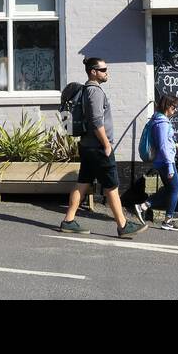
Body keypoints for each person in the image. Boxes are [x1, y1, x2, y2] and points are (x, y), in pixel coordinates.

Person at [60, 57, 147, 237]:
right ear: (93, 72)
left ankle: (68, 221)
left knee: (83, 183)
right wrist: (107, 145)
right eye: (103, 69)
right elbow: (96, 121)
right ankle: (123, 225)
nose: (106, 72)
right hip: (98, 147)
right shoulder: (94, 92)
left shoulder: (86, 90)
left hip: (88, 146)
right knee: (111, 185)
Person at [134, 93, 178, 230]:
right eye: (174, 107)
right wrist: (169, 166)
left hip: (163, 160)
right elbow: (163, 145)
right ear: (168, 106)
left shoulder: (158, 119)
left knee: (170, 189)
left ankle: (143, 206)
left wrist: (177, 146)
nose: (175, 111)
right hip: (165, 161)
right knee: (175, 188)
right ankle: (168, 221)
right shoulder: (162, 123)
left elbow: (168, 140)